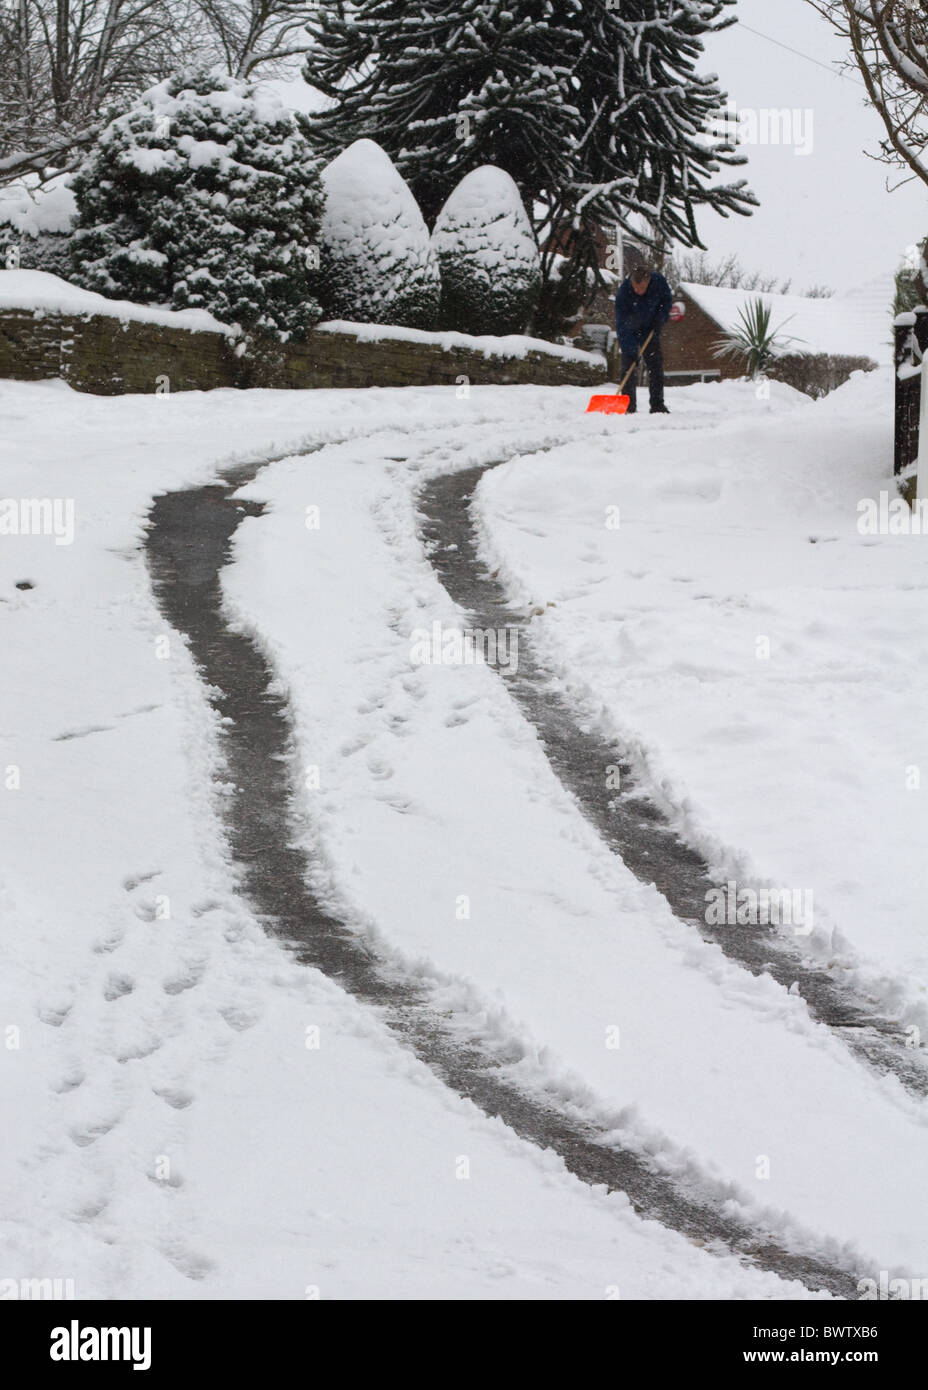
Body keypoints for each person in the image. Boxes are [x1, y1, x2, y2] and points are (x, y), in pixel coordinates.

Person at [614, 262, 672, 414]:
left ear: (648, 281)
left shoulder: (658, 282)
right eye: (635, 287)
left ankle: (657, 405)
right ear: (631, 282)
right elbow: (621, 324)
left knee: (655, 367)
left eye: (642, 288)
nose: (638, 291)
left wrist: (661, 317)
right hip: (630, 329)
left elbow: (666, 301)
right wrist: (631, 350)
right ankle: (628, 407)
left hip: (650, 328)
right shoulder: (624, 292)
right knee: (628, 368)